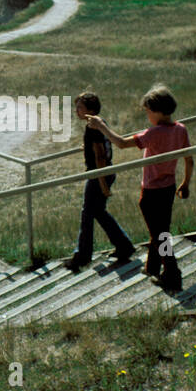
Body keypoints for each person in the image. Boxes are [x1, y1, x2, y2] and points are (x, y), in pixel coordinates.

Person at [87, 84, 192, 292]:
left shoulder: (153, 133)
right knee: (161, 228)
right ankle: (152, 267)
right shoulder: (181, 129)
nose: (147, 116)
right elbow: (189, 160)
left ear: (158, 111)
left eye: (148, 111)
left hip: (152, 191)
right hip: (169, 188)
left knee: (160, 234)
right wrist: (186, 183)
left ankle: (172, 274)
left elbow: (121, 143)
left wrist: (101, 126)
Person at [62, 91, 134, 272]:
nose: (76, 111)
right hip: (103, 173)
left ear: (90, 110)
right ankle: (124, 245)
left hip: (99, 174)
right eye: (76, 107)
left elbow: (100, 155)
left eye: (80, 107)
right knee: (98, 212)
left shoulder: (93, 126)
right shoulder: (98, 123)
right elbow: (97, 147)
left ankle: (82, 256)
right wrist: (86, 147)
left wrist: (102, 184)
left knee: (88, 213)